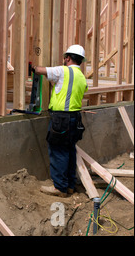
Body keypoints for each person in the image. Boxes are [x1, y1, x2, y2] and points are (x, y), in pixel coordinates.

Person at [32, 45, 88, 198]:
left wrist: (33, 66)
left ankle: (60, 187)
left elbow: (40, 71)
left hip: (61, 119)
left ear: (68, 58)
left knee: (58, 151)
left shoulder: (63, 71)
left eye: (65, 58)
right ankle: (70, 186)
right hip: (75, 118)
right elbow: (67, 90)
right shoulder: (81, 77)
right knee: (70, 150)